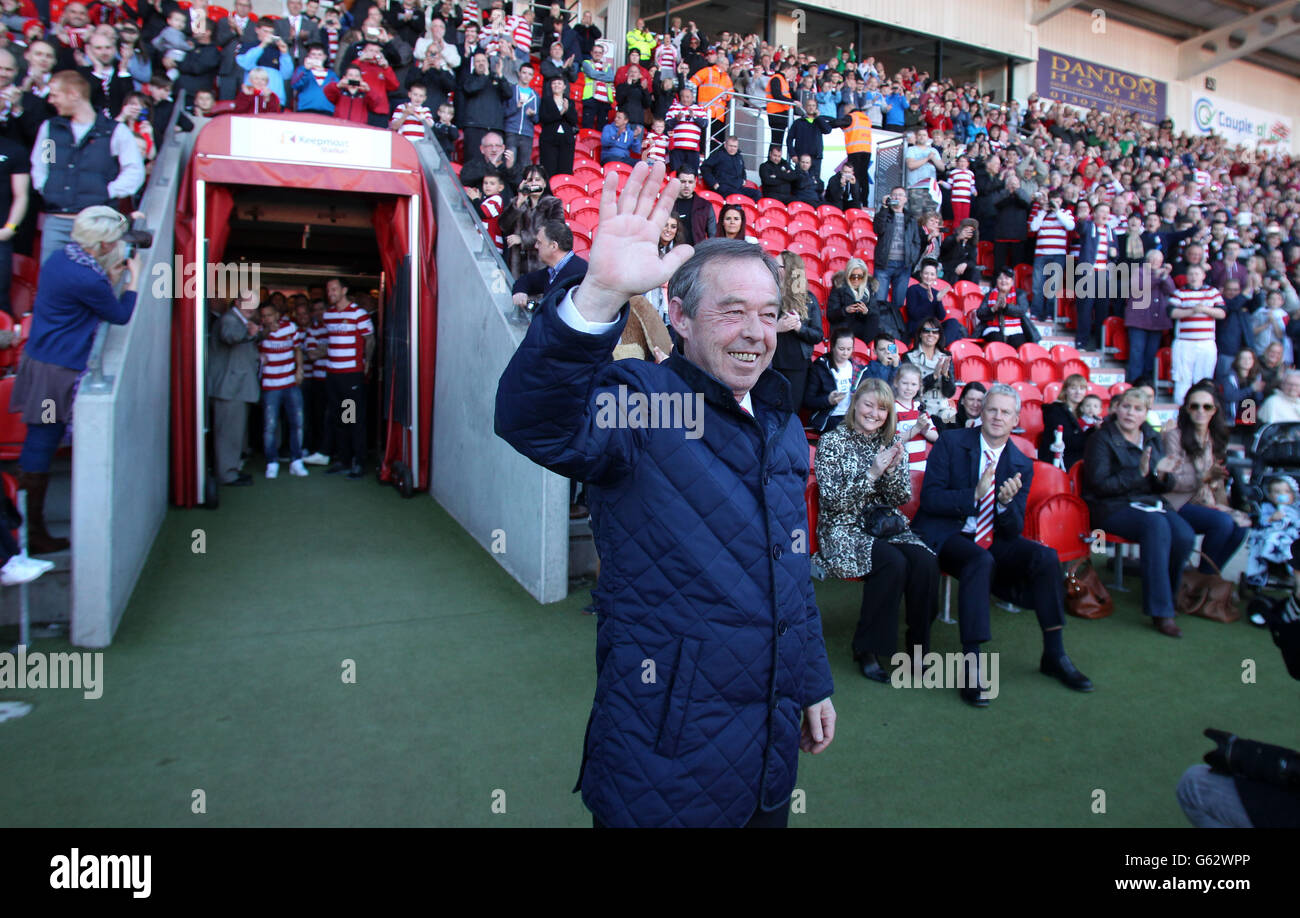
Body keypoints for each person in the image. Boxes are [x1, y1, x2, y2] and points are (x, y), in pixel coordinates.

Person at [494, 163, 836, 829]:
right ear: (677, 316)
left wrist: (813, 679)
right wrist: (596, 296)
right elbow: (533, 420)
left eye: (767, 315)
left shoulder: (782, 423)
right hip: (662, 766)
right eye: (731, 311)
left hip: (768, 758)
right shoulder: (648, 403)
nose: (754, 332)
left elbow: (788, 571)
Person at [911, 383, 1093, 705]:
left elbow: (1014, 528)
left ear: (1016, 419)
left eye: (1005, 412)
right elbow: (931, 499)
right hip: (947, 534)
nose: (997, 416)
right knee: (978, 561)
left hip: (991, 536)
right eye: (992, 409)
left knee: (1046, 558)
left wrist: (1005, 506)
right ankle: (972, 662)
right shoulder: (952, 442)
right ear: (981, 411)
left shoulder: (1020, 463)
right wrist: (976, 496)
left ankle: (1054, 653)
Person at [10, 206, 139, 553]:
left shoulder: (58, 259)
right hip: (56, 373)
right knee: (41, 444)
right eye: (113, 242)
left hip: (41, 363)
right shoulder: (87, 278)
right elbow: (120, 314)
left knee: (42, 441)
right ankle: (31, 533)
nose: (117, 247)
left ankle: (28, 528)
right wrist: (135, 277)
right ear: (98, 246)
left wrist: (109, 278)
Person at [812, 377, 940, 680]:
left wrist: (893, 471)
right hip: (841, 528)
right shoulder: (832, 441)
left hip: (883, 525)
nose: (874, 413)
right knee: (892, 563)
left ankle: (919, 646)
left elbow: (900, 498)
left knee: (926, 561)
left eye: (882, 408)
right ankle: (868, 648)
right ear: (855, 404)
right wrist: (872, 473)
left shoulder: (891, 442)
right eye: (868, 404)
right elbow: (832, 501)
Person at [1082, 387, 1191, 637]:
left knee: (1184, 535)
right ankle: (1161, 611)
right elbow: (1100, 485)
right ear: (1117, 408)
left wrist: (1161, 474)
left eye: (1138, 409)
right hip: (1109, 506)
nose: (1131, 412)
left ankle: (1167, 595)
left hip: (1147, 503)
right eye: (1126, 406)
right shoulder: (1101, 438)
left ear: (1146, 414)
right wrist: (1139, 473)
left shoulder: (1151, 436)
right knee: (1156, 525)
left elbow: (1162, 485)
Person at [30, 72, 145, 268]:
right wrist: (46, 187)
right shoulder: (50, 129)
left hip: (96, 226)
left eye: (55, 95)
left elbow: (134, 170)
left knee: (93, 284)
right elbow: (41, 163)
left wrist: (106, 192)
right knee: (52, 284)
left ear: (74, 94)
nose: (51, 101)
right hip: (56, 222)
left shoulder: (114, 130)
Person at [1160, 381, 1249, 572]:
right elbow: (1172, 480)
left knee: (1241, 524)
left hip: (1203, 501)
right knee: (1222, 522)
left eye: (1206, 406)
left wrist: (1222, 502)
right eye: (1195, 406)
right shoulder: (1175, 436)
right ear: (1187, 409)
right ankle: (1204, 579)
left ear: (1214, 410)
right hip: (1176, 502)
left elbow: (1215, 483)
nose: (1201, 411)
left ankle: (1210, 575)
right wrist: (1204, 478)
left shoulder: (1212, 437)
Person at [321, 277, 374, 480]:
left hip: (350, 374)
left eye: (334, 289)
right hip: (332, 374)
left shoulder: (358, 314)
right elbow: (329, 341)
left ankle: (358, 462)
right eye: (329, 289)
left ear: (344, 290)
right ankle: (343, 460)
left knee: (352, 418)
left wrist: (367, 362)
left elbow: (370, 339)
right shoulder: (329, 315)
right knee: (339, 418)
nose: (330, 293)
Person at [256, 303, 309, 479]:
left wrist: (299, 369)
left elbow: (297, 349)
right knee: (270, 426)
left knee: (297, 423)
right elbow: (254, 344)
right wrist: (264, 330)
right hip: (270, 385)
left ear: (277, 315)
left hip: (290, 382)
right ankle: (272, 462)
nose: (266, 319)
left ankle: (296, 460)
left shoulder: (290, 327)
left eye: (269, 315)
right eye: (263, 316)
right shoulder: (258, 331)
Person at [772, 250, 822, 411]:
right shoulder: (768, 294)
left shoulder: (808, 299)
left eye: (777, 265)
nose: (773, 268)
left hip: (797, 367)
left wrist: (799, 327)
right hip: (770, 363)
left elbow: (818, 335)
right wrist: (776, 328)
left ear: (789, 270)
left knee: (791, 411)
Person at [1169, 264, 1225, 406]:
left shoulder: (1212, 292)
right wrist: (1192, 311)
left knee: (1204, 377)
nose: (1194, 277)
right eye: (1191, 274)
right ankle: (1181, 408)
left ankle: (1202, 406)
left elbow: (1221, 313)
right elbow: (1172, 312)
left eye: (1197, 274)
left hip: (1206, 342)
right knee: (1182, 378)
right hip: (1184, 342)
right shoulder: (1180, 293)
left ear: (1203, 276)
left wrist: (1205, 309)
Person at [1125, 248, 1175, 383]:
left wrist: (1164, 276)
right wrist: (1157, 276)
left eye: (1157, 260)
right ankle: (1134, 382)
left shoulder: (1163, 274)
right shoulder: (1139, 271)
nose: (1154, 262)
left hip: (1157, 321)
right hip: (1138, 321)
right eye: (1152, 259)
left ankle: (1146, 383)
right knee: (1136, 353)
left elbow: (1171, 290)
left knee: (1151, 354)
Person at [510, 220, 587, 307]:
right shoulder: (554, 270)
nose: (535, 246)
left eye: (539, 242)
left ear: (554, 246)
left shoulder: (579, 274)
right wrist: (520, 292)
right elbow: (526, 280)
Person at [803, 326, 864, 433]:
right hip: (828, 417)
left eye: (849, 349)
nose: (845, 353)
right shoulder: (820, 368)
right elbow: (808, 401)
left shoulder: (858, 369)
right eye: (841, 349)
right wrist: (828, 400)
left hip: (852, 416)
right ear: (832, 347)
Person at [1243, 475, 1300, 587]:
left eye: (1286, 491)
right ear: (1270, 495)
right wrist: (1272, 518)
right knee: (1271, 539)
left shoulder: (1296, 508)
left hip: (1293, 535)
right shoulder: (1268, 508)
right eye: (1277, 492)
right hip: (1275, 534)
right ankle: (1274, 572)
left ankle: (1292, 572)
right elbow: (1263, 523)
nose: (1282, 495)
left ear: (1293, 494)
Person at [873, 186, 922, 313]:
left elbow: (916, 241)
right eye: (894, 195)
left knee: (899, 302)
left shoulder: (911, 219)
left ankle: (895, 330)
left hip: (903, 266)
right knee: (879, 301)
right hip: (884, 264)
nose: (897, 197)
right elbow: (878, 229)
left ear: (905, 199)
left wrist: (912, 259)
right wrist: (884, 208)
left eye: (900, 195)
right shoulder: (884, 214)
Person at [907, 320, 957, 426]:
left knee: (954, 429)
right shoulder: (909, 357)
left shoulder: (946, 356)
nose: (931, 334)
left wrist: (945, 376)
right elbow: (910, 392)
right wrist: (934, 376)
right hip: (920, 409)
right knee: (936, 431)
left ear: (939, 335)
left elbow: (950, 393)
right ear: (920, 334)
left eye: (935, 332)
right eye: (926, 331)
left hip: (944, 408)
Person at [1038, 373, 1090, 469]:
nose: (1078, 392)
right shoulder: (1055, 410)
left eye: (1082, 388)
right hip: (1059, 462)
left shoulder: (1084, 413)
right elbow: (1069, 441)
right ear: (1066, 390)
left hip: (1078, 458)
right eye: (1073, 388)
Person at [904, 261, 962, 345]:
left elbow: (941, 316)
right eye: (926, 273)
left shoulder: (935, 293)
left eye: (932, 274)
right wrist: (930, 301)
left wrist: (938, 301)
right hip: (918, 326)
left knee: (953, 322)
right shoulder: (913, 289)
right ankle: (937, 346)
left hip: (933, 326)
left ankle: (940, 346)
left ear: (935, 277)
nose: (928, 277)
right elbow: (913, 314)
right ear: (921, 274)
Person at [826, 257, 881, 345]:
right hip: (843, 327)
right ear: (848, 275)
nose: (856, 279)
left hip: (863, 328)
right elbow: (830, 315)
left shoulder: (869, 288)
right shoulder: (839, 287)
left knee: (874, 318)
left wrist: (866, 311)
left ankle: (868, 347)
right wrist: (845, 310)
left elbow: (875, 313)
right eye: (853, 276)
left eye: (859, 277)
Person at [974, 266, 1031, 347]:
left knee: (1019, 343)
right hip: (993, 328)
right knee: (997, 340)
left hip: (1015, 329)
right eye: (1000, 278)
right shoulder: (989, 294)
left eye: (1007, 278)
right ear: (996, 281)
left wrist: (1006, 307)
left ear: (1012, 281)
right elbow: (980, 313)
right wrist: (993, 308)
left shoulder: (1020, 294)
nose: (1003, 281)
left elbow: (1022, 310)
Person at [538, 76, 577, 178]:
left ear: (564, 86)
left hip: (566, 141)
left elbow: (574, 120)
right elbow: (543, 118)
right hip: (549, 140)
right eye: (554, 83)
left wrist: (567, 110)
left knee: (565, 170)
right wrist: (561, 112)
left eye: (559, 83)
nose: (556, 85)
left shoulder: (570, 102)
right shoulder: (545, 100)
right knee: (548, 168)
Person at [701, 135, 757, 201]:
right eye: (730, 146)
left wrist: (743, 180)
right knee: (738, 196)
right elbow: (704, 168)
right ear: (725, 145)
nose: (732, 148)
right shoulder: (718, 155)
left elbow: (743, 171)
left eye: (735, 146)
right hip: (723, 187)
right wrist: (713, 183)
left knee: (757, 194)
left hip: (738, 187)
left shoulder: (739, 157)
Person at [668, 169, 715, 245]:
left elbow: (712, 236)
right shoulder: (668, 204)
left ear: (695, 183)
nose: (686, 186)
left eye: (690, 182)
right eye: (683, 182)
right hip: (672, 252)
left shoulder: (705, 206)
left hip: (698, 254)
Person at [1219, 348, 1265, 424]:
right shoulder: (1229, 377)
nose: (1246, 361)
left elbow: (1259, 400)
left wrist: (1258, 391)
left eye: (1249, 358)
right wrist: (1251, 389)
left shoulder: (1256, 377)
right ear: (1237, 361)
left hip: (1251, 421)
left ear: (1253, 361)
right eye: (1243, 358)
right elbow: (1229, 396)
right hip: (1233, 421)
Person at [940, 218, 980, 286]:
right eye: (966, 229)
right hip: (949, 269)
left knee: (975, 272)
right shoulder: (951, 239)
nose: (968, 232)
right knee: (953, 274)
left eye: (971, 230)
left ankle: (972, 292)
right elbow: (945, 252)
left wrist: (965, 264)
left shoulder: (972, 244)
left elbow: (973, 261)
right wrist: (958, 239)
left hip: (963, 270)